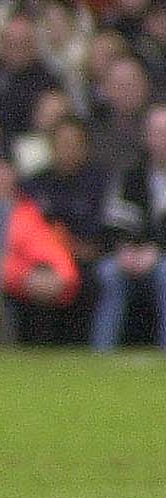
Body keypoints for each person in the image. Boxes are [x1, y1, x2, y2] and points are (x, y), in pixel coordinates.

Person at [89, 103, 166, 352]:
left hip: (160, 259)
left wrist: (156, 251)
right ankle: (102, 354)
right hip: (132, 255)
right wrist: (125, 250)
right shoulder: (131, 176)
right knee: (109, 273)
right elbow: (116, 221)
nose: (161, 140)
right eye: (156, 132)